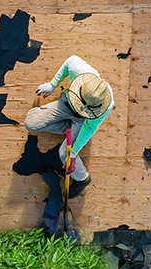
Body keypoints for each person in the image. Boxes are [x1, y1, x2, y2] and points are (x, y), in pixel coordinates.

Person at [25, 55, 114, 198]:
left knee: (64, 154)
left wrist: (73, 153)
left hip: (82, 121)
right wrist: (53, 84)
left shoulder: (105, 106)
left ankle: (82, 178)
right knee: (31, 124)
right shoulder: (79, 68)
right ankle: (68, 128)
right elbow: (69, 61)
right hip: (65, 104)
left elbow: (89, 128)